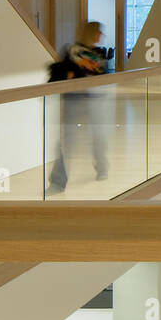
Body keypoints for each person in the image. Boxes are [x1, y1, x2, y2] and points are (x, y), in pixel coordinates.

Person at [46, 21, 109, 193]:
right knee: (69, 140)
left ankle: (102, 168)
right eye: (99, 32)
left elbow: (102, 76)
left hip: (92, 100)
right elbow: (64, 72)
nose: (101, 36)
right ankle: (58, 182)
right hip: (74, 100)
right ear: (92, 33)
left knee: (97, 136)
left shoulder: (97, 53)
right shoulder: (72, 51)